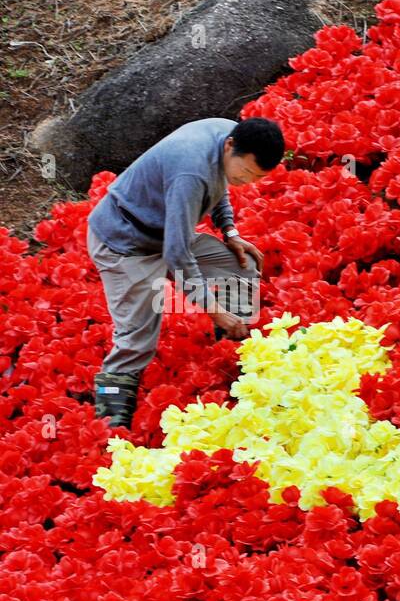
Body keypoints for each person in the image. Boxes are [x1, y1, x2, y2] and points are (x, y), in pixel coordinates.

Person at [86, 116, 284, 429]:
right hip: (124, 242)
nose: (249, 181)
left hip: (163, 233)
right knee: (136, 340)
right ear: (230, 146)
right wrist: (215, 310)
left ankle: (234, 350)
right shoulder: (191, 170)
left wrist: (230, 232)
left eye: (257, 177)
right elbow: (177, 254)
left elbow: (220, 187)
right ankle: (109, 411)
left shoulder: (226, 135)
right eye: (246, 172)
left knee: (239, 265)